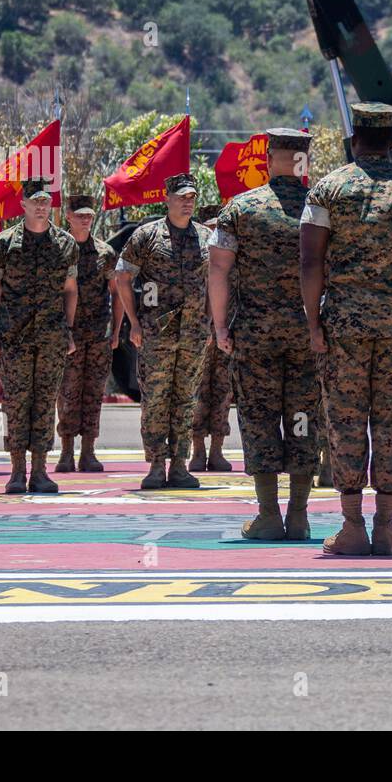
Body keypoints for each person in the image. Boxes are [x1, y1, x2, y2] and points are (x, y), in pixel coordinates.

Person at [300, 102, 392, 556]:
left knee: (345, 422)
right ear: (391, 140)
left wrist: (312, 322)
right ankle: (385, 527)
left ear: (355, 138)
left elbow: (310, 262)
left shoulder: (329, 189)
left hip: (344, 324)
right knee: (390, 423)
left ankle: (351, 527)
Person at [210, 128, 320, 540]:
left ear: (270, 157)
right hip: (309, 335)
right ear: (304, 160)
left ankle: (269, 514)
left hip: (255, 335)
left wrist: (221, 326)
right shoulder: (320, 208)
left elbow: (218, 269)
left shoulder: (241, 208)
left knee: (259, 419)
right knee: (304, 420)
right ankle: (300, 514)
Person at [117, 173, 212, 490]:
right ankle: (157, 465)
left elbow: (216, 281)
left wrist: (210, 320)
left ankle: (180, 465)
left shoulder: (205, 236)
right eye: (182, 196)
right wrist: (134, 320)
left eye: (192, 197)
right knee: (156, 399)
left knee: (185, 400)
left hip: (193, 335)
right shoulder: (147, 235)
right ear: (167, 198)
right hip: (156, 334)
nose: (188, 202)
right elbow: (122, 276)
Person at [0, 178, 79, 494]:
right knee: (15, 403)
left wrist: (67, 330)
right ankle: (16, 472)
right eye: (35, 201)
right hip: (14, 339)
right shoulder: (3, 245)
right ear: (23, 204)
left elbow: (70, 291)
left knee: (44, 403)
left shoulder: (66, 245)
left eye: (45, 200)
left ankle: (40, 471)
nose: (41, 205)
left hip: (51, 337)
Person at [55, 194, 122, 473]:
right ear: (68, 217)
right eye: (79, 214)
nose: (85, 219)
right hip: (68, 335)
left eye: (89, 215)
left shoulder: (105, 253)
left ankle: (89, 451)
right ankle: (67, 451)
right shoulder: (58, 250)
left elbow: (116, 294)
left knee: (93, 394)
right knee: (67, 393)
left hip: (97, 335)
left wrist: (116, 331)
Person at [191, 203, 236, 473]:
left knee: (222, 391)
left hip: (224, 329)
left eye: (216, 227)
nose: (212, 233)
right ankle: (197, 449)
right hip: (198, 332)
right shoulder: (193, 256)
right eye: (208, 227)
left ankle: (217, 450)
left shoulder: (229, 258)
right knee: (197, 391)